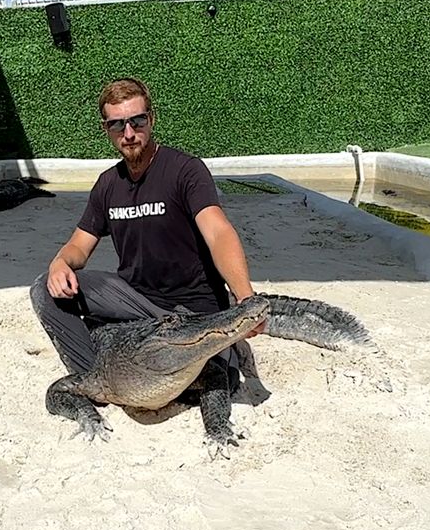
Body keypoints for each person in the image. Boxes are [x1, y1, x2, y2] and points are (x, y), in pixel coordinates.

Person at [29, 76, 264, 385]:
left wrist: (244, 297)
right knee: (45, 289)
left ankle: (225, 352)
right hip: (135, 302)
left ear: (151, 119)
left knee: (216, 380)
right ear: (106, 129)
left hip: (193, 310)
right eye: (117, 125)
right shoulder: (108, 184)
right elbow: (79, 246)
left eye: (137, 121)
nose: (129, 134)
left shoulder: (185, 170)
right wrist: (60, 263)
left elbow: (218, 232)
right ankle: (93, 378)